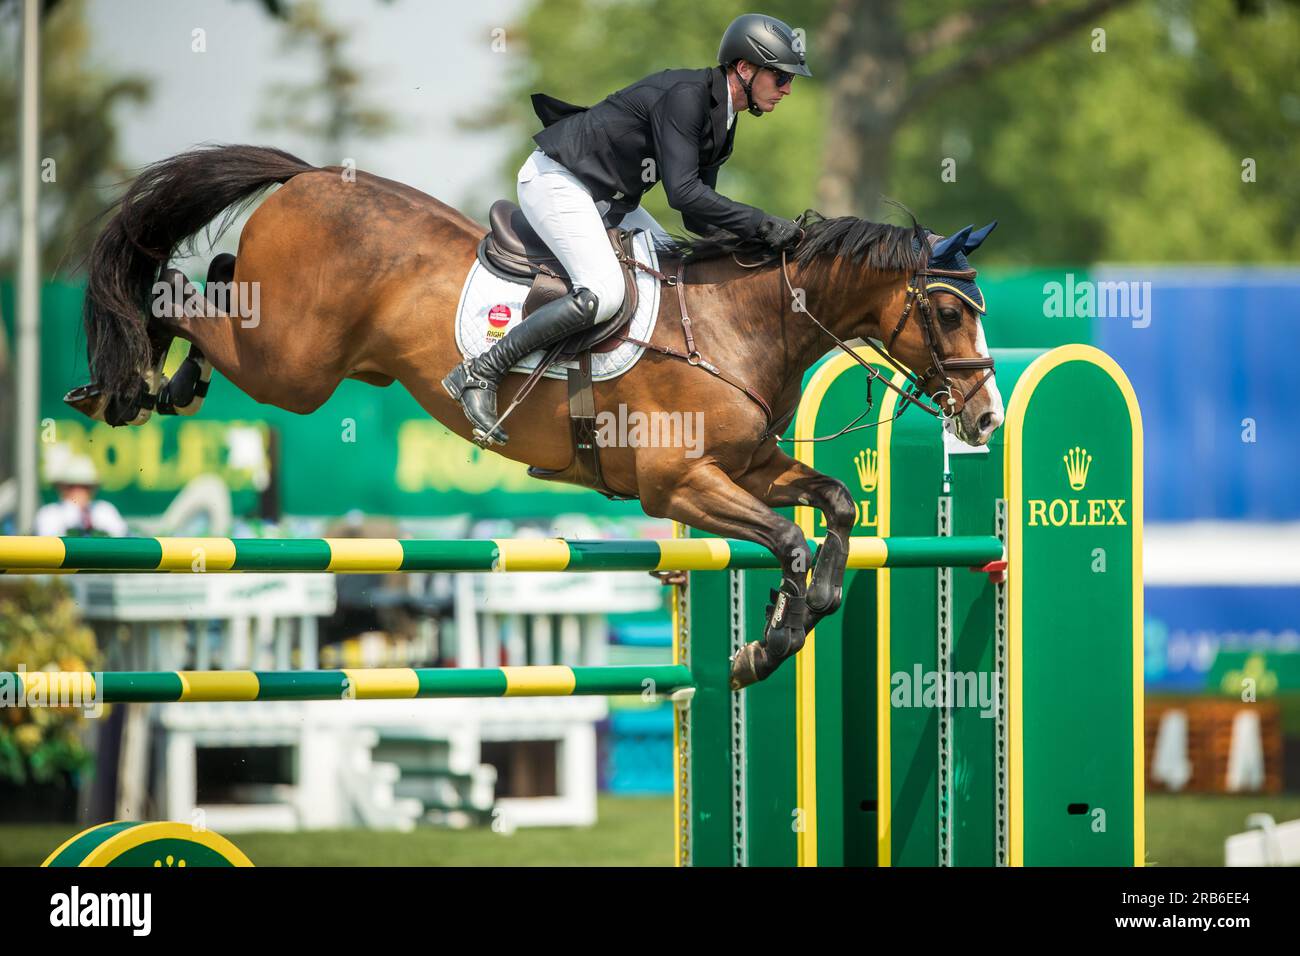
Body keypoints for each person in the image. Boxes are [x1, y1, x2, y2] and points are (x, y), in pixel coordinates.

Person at [443, 12, 811, 445]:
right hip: (559, 181)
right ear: (745, 69)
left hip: (608, 201)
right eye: (780, 77)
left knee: (675, 282)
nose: (786, 89)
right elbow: (684, 194)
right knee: (603, 292)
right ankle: (481, 371)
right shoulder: (686, 97)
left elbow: (695, 218)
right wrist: (762, 224)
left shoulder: (725, 118)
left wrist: (758, 249)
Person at [34, 454, 128, 537]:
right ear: (63, 488)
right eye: (73, 486)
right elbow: (50, 543)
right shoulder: (49, 514)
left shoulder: (104, 510)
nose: (80, 491)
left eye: (86, 486)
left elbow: (122, 537)